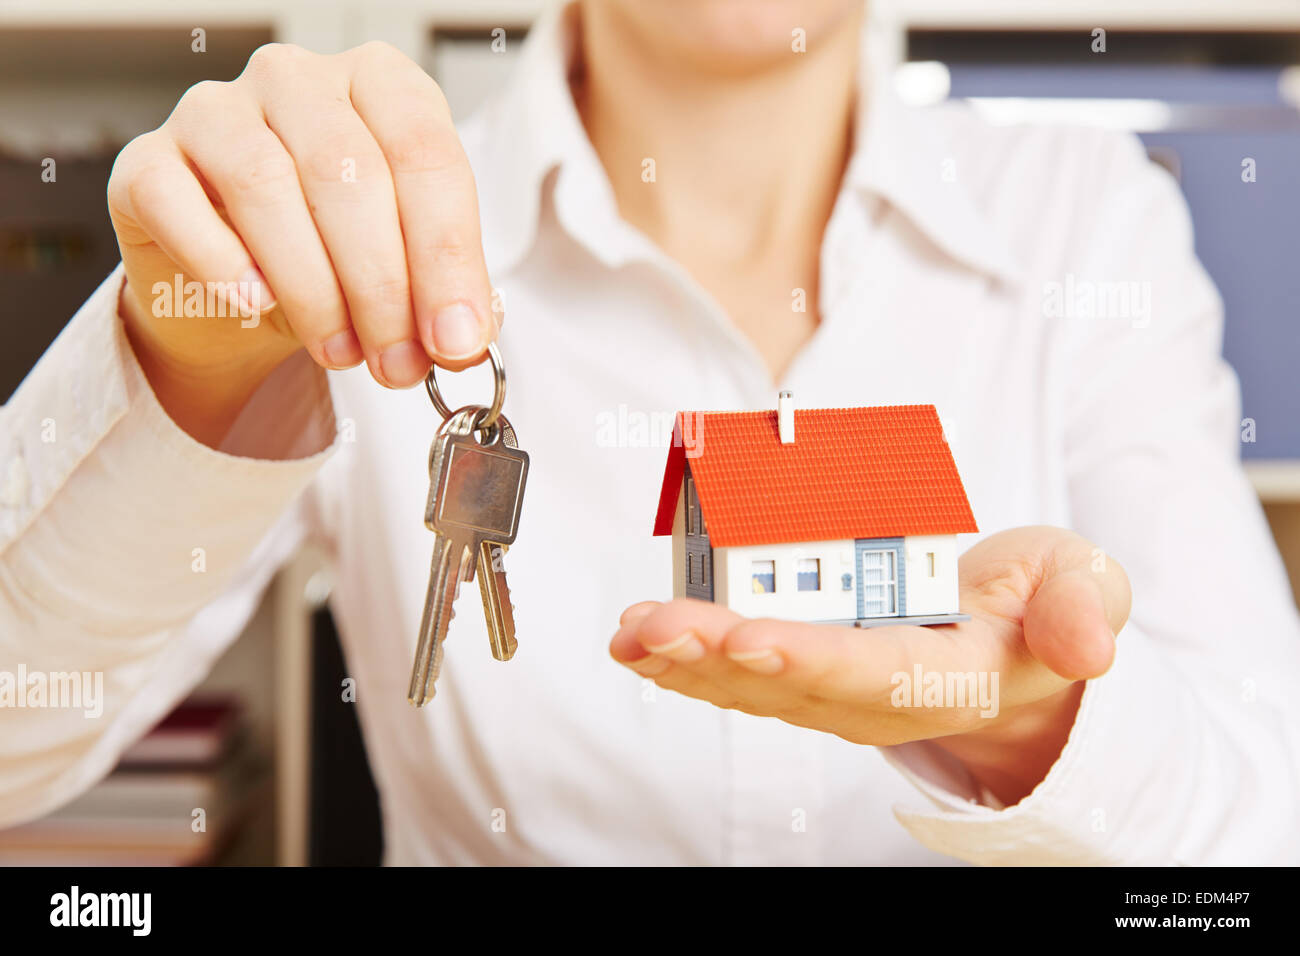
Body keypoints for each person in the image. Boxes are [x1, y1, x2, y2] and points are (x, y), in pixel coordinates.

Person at [2, 0, 1298, 865]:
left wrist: (1041, 738)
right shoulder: (351, 235)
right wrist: (182, 368)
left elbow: (1266, 819)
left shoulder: (1085, 215)